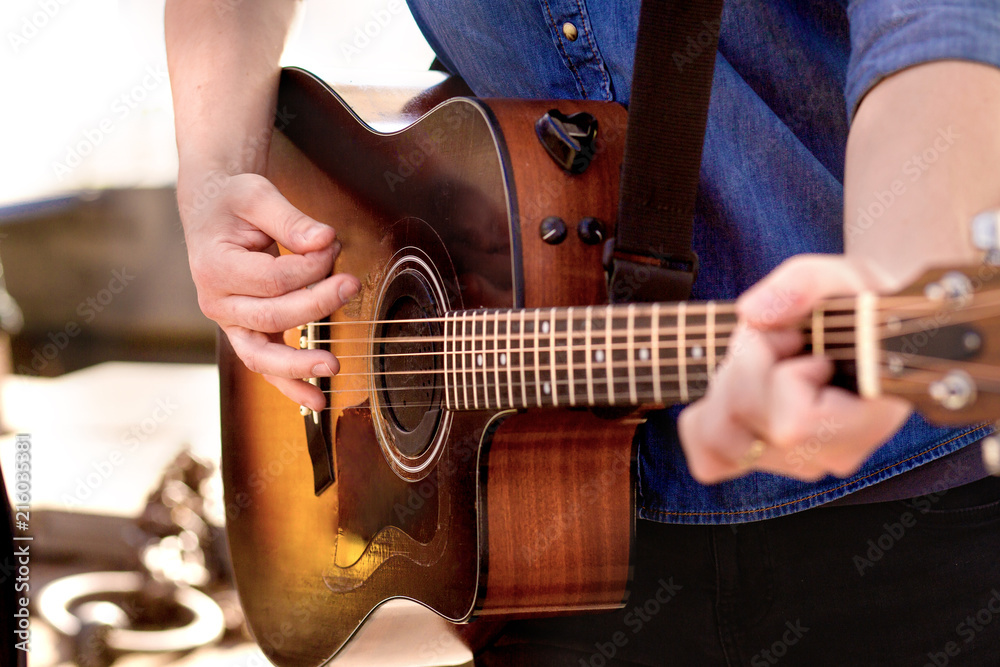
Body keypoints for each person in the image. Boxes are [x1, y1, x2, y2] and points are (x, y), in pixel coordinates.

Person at [165, 0, 1000, 664]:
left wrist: (904, 280)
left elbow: (934, 22)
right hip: (533, 550)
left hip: (904, 515)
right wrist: (211, 184)